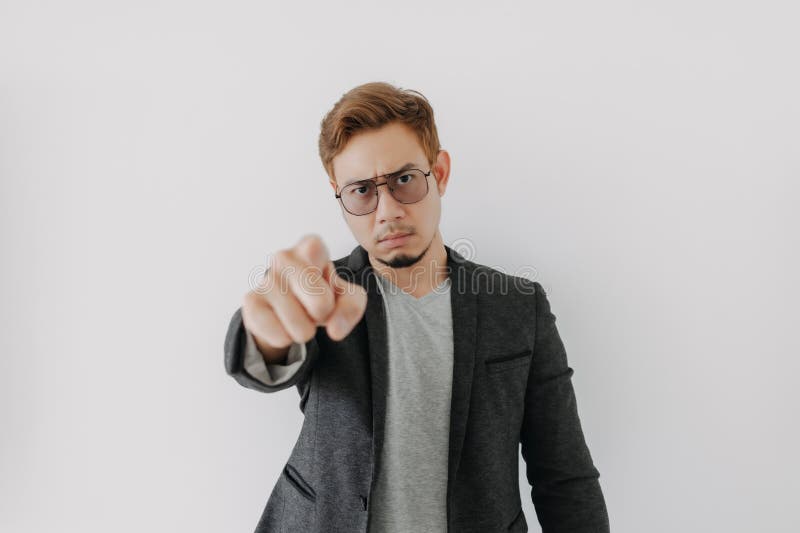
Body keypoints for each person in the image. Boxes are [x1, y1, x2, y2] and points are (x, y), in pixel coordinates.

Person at [223, 81, 610, 532]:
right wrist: (269, 336)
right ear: (339, 195)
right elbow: (264, 355)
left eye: (404, 180)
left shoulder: (519, 307)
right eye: (363, 191)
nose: (387, 210)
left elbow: (564, 476)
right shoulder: (324, 297)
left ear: (439, 173)